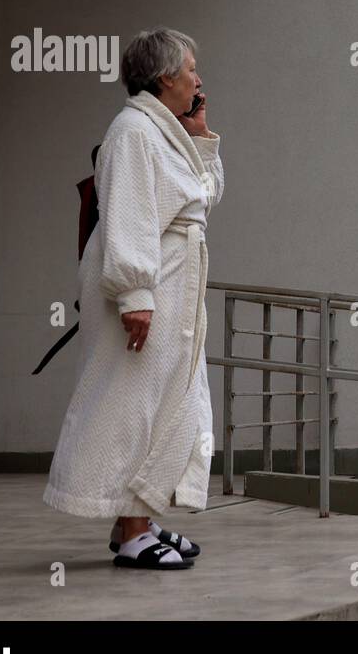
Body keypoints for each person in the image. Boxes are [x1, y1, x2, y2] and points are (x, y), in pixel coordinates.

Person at [44, 28, 224, 570]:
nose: (198, 77)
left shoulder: (164, 132)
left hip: (174, 287)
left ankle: (142, 517)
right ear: (166, 77)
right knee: (131, 405)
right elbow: (128, 215)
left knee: (176, 401)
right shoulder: (132, 131)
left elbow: (203, 201)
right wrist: (135, 295)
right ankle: (130, 531)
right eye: (190, 68)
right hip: (148, 290)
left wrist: (199, 134)